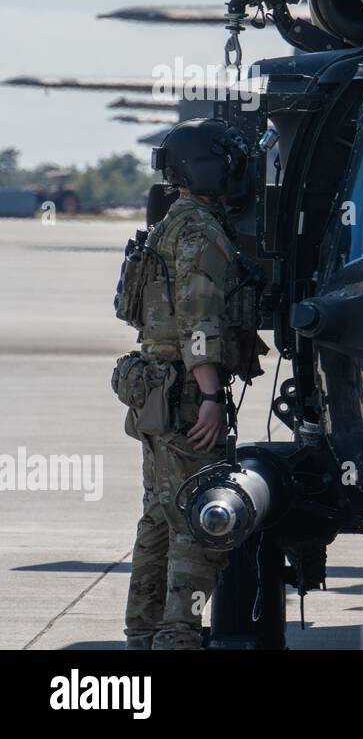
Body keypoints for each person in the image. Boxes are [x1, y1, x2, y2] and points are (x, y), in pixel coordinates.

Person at [113, 118, 266, 649]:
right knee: (196, 520)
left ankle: (144, 628)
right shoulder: (200, 231)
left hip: (153, 389)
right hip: (181, 393)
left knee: (158, 513)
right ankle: (180, 631)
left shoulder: (169, 224)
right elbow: (198, 320)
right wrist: (207, 395)